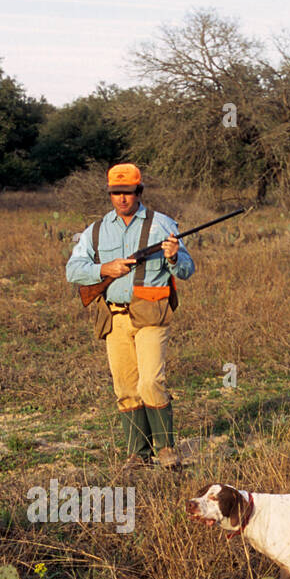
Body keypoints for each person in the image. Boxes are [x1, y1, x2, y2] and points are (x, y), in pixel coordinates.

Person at [66, 162, 195, 471]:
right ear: (109, 194)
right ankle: (137, 453)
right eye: (116, 193)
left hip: (151, 314)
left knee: (150, 381)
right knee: (125, 386)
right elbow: (73, 269)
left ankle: (165, 448)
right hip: (114, 318)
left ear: (139, 191)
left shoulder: (163, 225)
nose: (122, 198)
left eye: (128, 192)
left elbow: (187, 269)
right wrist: (104, 270)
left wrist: (173, 256)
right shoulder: (95, 231)